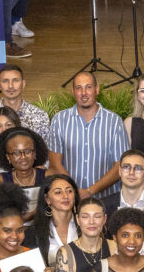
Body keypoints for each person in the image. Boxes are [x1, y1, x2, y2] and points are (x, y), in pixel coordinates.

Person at [48, 70, 130, 201]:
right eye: (79, 88)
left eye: (88, 87)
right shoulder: (60, 120)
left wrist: (90, 191)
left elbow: (120, 165)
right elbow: (55, 163)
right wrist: (74, 190)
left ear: (97, 90)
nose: (84, 93)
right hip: (70, 199)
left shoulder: (114, 122)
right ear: (73, 92)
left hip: (107, 199)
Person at [0, 126, 51, 217]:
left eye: (27, 151)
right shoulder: (1, 181)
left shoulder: (48, 176)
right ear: (8, 157)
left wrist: (32, 215)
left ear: (34, 153)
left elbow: (55, 208)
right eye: (16, 153)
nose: (23, 157)